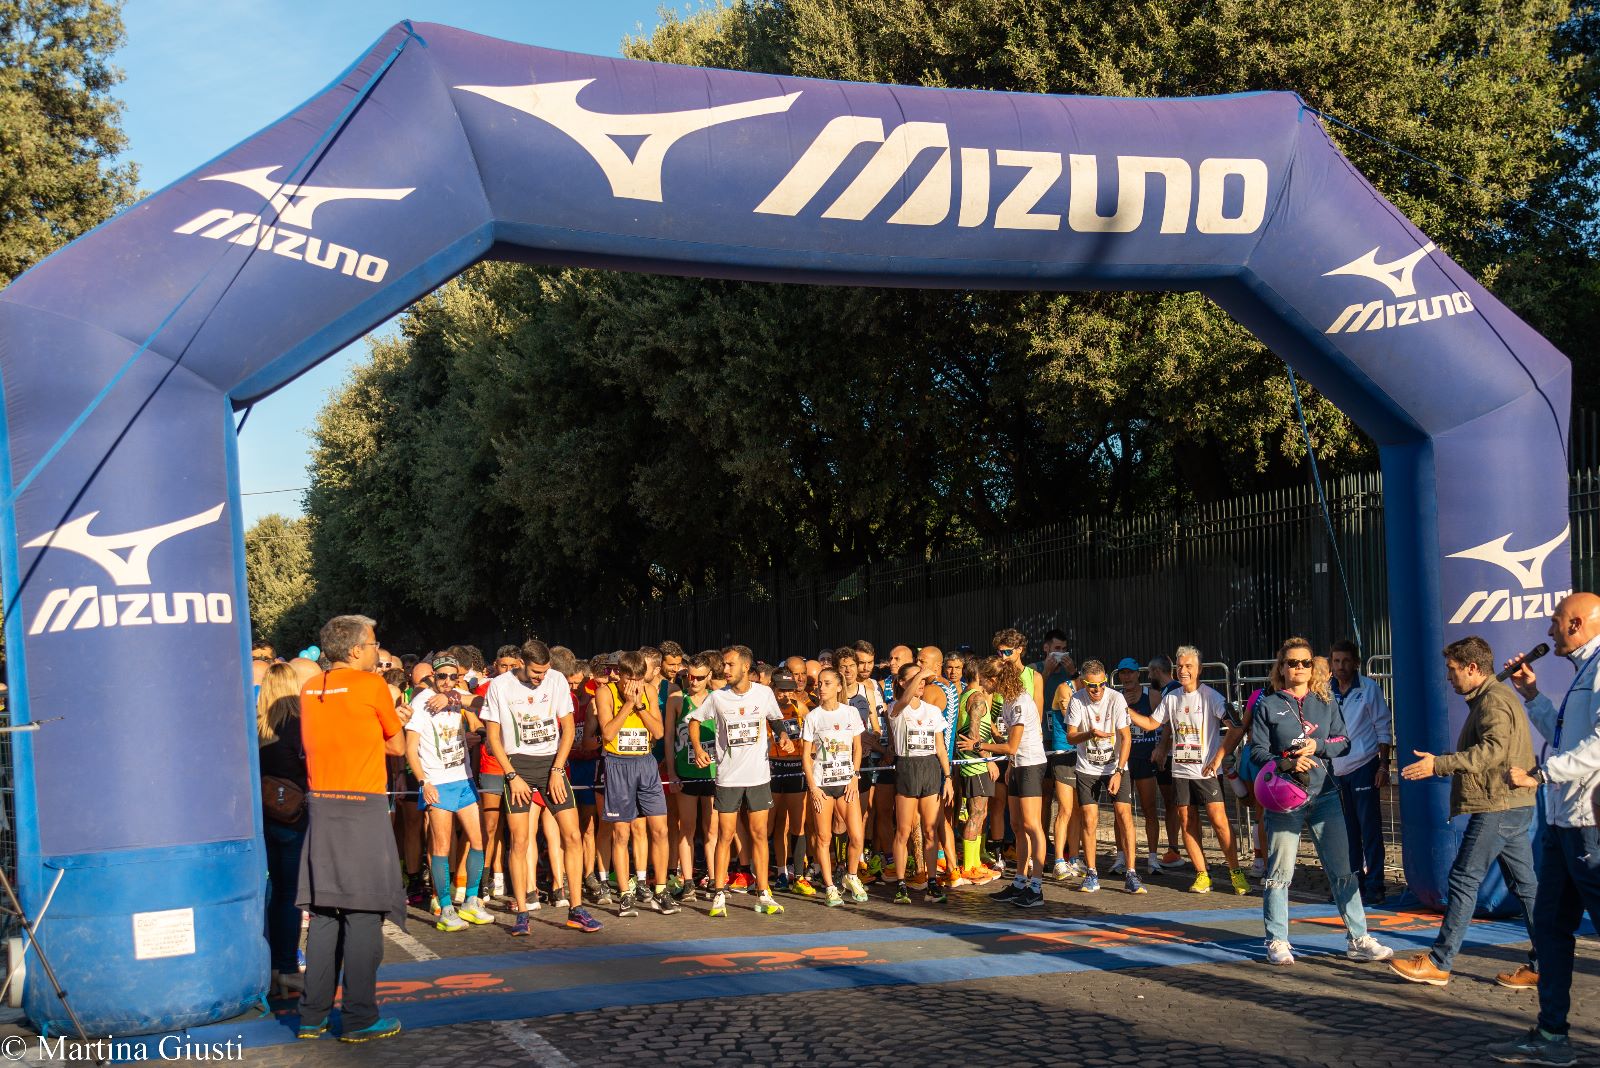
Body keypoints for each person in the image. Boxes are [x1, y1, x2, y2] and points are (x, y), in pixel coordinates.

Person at [1390, 635, 1538, 988]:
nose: (1449, 677)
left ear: (1472, 668)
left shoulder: (1493, 701)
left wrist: (1439, 765)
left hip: (1497, 804)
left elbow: (1492, 751)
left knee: (1463, 879)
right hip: (1511, 803)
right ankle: (1546, 961)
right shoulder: (1492, 697)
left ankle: (1439, 962)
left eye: (1452, 669)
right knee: (1525, 887)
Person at [1492, 591, 1600, 1064]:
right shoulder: (1584, 670)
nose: (1549, 630)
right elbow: (1564, 736)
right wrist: (1532, 696)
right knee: (1552, 929)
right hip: (1562, 823)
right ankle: (1552, 1033)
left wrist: (1541, 774)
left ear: (1576, 624)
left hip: (1588, 825)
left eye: (1555, 622)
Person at [1250, 636, 1393, 967]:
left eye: (1305, 662)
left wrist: (1319, 747)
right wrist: (1286, 762)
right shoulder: (1268, 705)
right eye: (1292, 663)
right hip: (1284, 799)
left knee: (1344, 870)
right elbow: (1256, 751)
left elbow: (1344, 742)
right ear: (1281, 668)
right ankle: (1277, 940)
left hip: (1325, 795)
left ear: (1312, 666)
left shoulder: (1325, 701)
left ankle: (1358, 939)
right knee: (1279, 872)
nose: (1299, 668)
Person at [295, 614, 403, 1043]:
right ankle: (359, 1017)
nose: (377, 651)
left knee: (324, 912)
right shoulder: (371, 685)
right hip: (362, 806)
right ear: (357, 649)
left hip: (322, 805)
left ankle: (312, 1016)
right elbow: (396, 743)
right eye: (374, 644)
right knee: (364, 912)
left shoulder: (310, 688)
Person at [481, 641, 605, 935]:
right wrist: (511, 775)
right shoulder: (500, 685)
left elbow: (568, 729)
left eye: (545, 671)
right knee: (520, 840)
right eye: (536, 672)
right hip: (518, 766)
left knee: (572, 835)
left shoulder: (556, 680)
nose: (541, 677)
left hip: (552, 765)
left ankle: (576, 909)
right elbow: (493, 737)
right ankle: (522, 912)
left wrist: (558, 770)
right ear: (522, 664)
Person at [1135, 646, 1249, 895]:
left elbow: (1236, 727)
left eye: (1189, 666)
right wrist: (1124, 710)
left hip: (1206, 772)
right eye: (1180, 666)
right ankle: (1202, 874)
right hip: (1181, 772)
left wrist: (1219, 757)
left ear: (1199, 669)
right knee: (1187, 821)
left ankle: (1235, 872)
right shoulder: (1172, 697)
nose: (1183, 670)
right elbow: (1151, 723)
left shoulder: (1211, 697)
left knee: (1219, 822)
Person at [690, 645, 794, 917]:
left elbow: (776, 720)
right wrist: (698, 749)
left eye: (730, 664)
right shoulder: (717, 697)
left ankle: (763, 893)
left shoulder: (764, 693)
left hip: (758, 776)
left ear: (746, 667)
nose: (725, 669)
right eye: (724, 665)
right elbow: (694, 721)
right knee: (725, 835)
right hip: (728, 778)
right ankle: (719, 893)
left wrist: (783, 736)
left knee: (760, 835)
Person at [404, 655, 493, 932]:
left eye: (453, 677)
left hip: (463, 779)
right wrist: (424, 782)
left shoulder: (456, 695)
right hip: (437, 782)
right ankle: (445, 907)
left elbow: (484, 703)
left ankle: (470, 901)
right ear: (433, 676)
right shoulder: (422, 702)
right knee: (441, 847)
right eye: (442, 676)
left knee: (478, 841)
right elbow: (410, 748)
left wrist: (454, 698)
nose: (447, 681)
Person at [595, 650, 675, 918]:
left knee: (660, 829)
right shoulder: (606, 693)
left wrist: (640, 705)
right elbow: (607, 733)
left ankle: (660, 890)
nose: (636, 684)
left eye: (640, 679)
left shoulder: (649, 691)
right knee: (621, 833)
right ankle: (625, 893)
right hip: (618, 763)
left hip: (645, 762)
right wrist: (628, 704)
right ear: (620, 674)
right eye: (631, 679)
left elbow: (659, 732)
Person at [1066, 661, 1143, 894]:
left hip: (1115, 765)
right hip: (1087, 767)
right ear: (1083, 683)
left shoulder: (1116, 699)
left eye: (1102, 684)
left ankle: (1131, 872)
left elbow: (1126, 738)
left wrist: (1119, 771)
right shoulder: (1076, 699)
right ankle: (1091, 873)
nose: (1097, 690)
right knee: (1089, 819)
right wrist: (1090, 734)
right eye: (1092, 686)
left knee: (1124, 815)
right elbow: (1071, 737)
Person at [980, 655, 1049, 908]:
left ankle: (1037, 886)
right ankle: (1020, 881)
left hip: (1031, 764)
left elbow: (1011, 745)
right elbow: (1012, 748)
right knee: (1017, 824)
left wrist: (979, 745)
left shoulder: (1020, 701)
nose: (982, 685)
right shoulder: (1007, 700)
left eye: (984, 680)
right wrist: (1010, 765)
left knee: (1032, 824)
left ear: (995, 679)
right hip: (1018, 764)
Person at [1329, 639, 1393, 905]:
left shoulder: (1369, 688)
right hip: (1334, 768)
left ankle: (1375, 885)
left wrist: (1383, 765)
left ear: (1356, 663)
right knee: (1345, 832)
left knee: (1370, 830)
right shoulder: (1324, 691)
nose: (1341, 666)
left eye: (1346, 661)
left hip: (1364, 765)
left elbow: (1383, 726)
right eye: (1336, 661)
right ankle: (1351, 885)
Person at [257, 663, 307, 999]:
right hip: (294, 817)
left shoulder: (257, 728)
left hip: (264, 817)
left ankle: (272, 969)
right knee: (290, 895)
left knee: (273, 891)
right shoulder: (297, 726)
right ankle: (287, 967)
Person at [800, 666, 869, 905]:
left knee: (857, 836)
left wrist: (855, 776)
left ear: (839, 686)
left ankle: (851, 876)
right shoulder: (813, 717)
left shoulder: (850, 712)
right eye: (820, 683)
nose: (822, 687)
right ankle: (830, 887)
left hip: (846, 783)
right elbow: (806, 756)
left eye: (827, 683)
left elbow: (857, 748)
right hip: (822, 785)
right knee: (823, 837)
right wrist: (813, 787)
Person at [888, 664, 955, 905]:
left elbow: (940, 747)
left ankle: (932, 882)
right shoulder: (895, 707)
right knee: (904, 830)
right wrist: (920, 674)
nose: (921, 683)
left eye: (924, 680)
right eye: (915, 679)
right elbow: (904, 701)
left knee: (930, 830)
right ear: (902, 682)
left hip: (930, 768)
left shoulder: (933, 711)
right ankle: (901, 884)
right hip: (907, 767)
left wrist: (948, 777)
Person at [666, 654, 718, 903]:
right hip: (686, 772)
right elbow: (668, 738)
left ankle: (715, 879)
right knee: (686, 827)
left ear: (709, 676)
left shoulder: (717, 698)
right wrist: (672, 773)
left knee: (712, 829)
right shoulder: (678, 699)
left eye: (699, 677)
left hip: (713, 773)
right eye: (690, 677)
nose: (694, 682)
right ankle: (687, 882)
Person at [1118, 657, 1167, 875]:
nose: (1127, 677)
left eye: (1130, 672)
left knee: (1149, 809)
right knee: (1121, 811)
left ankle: (1153, 857)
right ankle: (1121, 857)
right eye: (1123, 673)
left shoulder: (1153, 696)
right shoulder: (1116, 698)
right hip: (1124, 759)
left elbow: (1167, 724)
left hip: (1145, 757)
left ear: (1138, 674)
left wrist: (1161, 747)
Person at [768, 667, 812, 892]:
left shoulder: (800, 708)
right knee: (777, 825)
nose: (785, 695)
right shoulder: (766, 711)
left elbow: (811, 741)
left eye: (789, 690)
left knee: (797, 824)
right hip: (774, 769)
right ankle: (781, 872)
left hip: (795, 769)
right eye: (781, 690)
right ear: (772, 688)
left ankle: (799, 875)